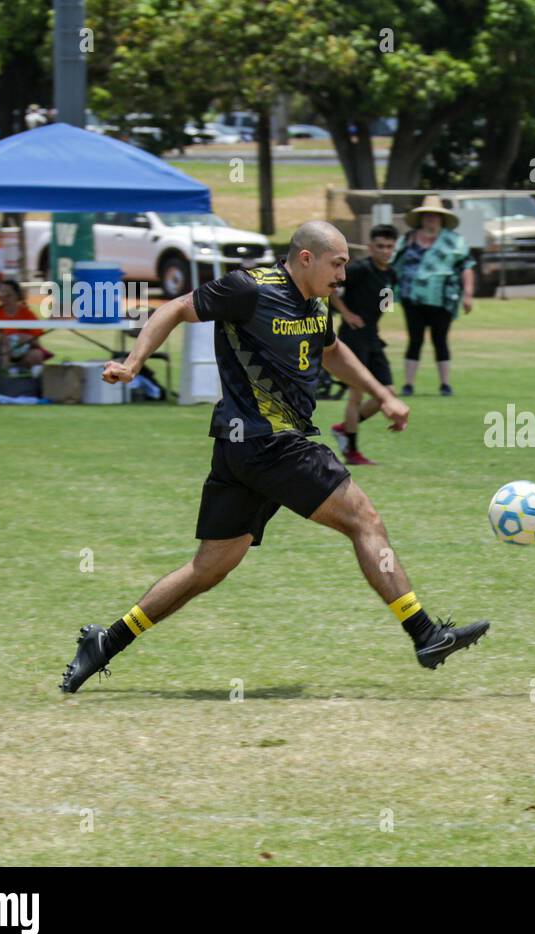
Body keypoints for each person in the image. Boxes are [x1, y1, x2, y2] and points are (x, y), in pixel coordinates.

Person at [58, 221, 489, 694]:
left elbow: (333, 353)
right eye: (338, 263)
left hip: (242, 449)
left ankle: (105, 642)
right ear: (307, 257)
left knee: (209, 568)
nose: (343, 275)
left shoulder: (314, 302)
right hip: (271, 442)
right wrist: (134, 362)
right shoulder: (248, 287)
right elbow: (177, 308)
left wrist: (383, 395)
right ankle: (425, 633)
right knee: (364, 520)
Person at [393, 195, 475, 396]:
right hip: (412, 298)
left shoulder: (454, 241)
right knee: (415, 339)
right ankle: (408, 384)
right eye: (427, 215)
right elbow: (393, 267)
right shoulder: (408, 239)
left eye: (435, 216)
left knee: (440, 339)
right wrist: (386, 298)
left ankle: (445, 384)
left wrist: (468, 294)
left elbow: (467, 266)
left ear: (441, 219)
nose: (431, 219)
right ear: (421, 218)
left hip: (443, 298)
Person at [330, 224, 398, 465]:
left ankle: (344, 429)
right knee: (356, 395)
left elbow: (386, 304)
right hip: (353, 336)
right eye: (380, 246)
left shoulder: (391, 274)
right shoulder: (358, 269)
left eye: (389, 246)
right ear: (370, 247)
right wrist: (347, 313)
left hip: (373, 337)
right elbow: (330, 289)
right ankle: (352, 451)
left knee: (388, 394)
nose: (385, 251)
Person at [0, 279, 53, 369]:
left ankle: (29, 379)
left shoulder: (28, 314)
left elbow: (37, 343)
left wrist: (26, 338)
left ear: (17, 296)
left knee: (37, 354)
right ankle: (4, 377)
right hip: (2, 352)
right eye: (2, 295)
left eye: (8, 295)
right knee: (3, 347)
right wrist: (0, 339)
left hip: (23, 352)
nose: (4, 298)